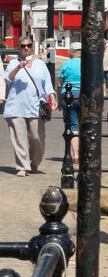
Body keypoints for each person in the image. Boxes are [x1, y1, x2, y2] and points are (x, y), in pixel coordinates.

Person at [5, 37, 54, 177]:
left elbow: (48, 84)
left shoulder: (40, 64)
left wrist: (52, 98)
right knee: (19, 138)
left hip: (35, 107)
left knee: (37, 138)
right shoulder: (13, 62)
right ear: (19, 47)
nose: (26, 48)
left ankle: (34, 163)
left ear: (32, 47)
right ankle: (22, 166)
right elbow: (8, 79)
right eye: (23, 46)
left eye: (29, 45)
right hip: (16, 107)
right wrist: (18, 67)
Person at [59, 48, 82, 169]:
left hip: (68, 96)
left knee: (72, 125)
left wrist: (58, 100)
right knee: (84, 124)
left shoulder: (66, 64)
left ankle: (75, 155)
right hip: (83, 95)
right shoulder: (85, 63)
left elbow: (59, 83)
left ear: (70, 53)